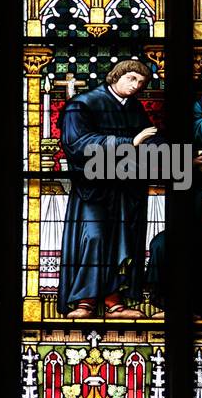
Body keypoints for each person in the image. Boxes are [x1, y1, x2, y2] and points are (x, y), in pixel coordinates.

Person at [57, 59, 160, 319]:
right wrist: (129, 142)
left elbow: (151, 141)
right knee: (94, 238)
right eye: (132, 79)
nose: (136, 86)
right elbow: (77, 144)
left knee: (121, 243)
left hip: (125, 189)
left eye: (141, 82)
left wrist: (184, 159)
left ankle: (115, 303)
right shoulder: (82, 104)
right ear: (116, 76)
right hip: (93, 188)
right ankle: (85, 301)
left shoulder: (133, 108)